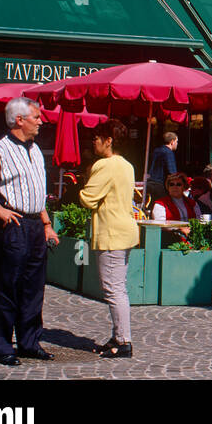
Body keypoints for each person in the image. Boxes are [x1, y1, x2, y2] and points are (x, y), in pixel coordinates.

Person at [0, 98, 59, 366]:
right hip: (12, 225)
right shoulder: (0, 150)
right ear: (19, 120)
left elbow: (38, 193)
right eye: (36, 117)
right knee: (9, 286)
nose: (41, 121)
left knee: (33, 287)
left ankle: (29, 342)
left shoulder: (36, 149)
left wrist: (47, 224)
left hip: (34, 226)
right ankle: (3, 345)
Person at [79, 119, 140, 360]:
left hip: (111, 232)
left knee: (113, 290)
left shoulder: (104, 165)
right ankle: (119, 336)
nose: (93, 141)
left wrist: (82, 186)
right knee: (118, 287)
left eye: (97, 137)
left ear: (109, 140)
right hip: (124, 230)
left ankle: (124, 341)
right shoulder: (126, 165)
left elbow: (88, 198)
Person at [144, 131, 178, 211]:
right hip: (160, 186)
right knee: (161, 209)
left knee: (151, 208)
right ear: (172, 142)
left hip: (149, 183)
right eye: (177, 141)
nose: (177, 144)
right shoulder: (168, 153)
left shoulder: (155, 151)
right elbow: (172, 173)